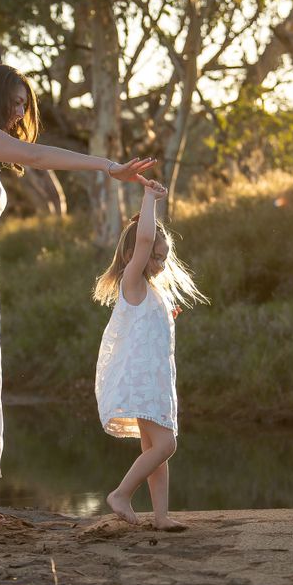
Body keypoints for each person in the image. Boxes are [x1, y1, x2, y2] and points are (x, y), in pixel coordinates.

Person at [0, 64, 156, 531]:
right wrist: (107, 166)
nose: (20, 112)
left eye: (24, 104)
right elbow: (37, 156)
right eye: (14, 102)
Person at [93, 180, 207, 531]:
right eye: (153, 256)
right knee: (166, 444)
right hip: (141, 381)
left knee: (153, 448)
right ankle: (121, 493)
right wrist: (150, 199)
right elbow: (143, 239)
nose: (157, 263)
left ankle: (160, 516)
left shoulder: (152, 290)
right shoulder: (133, 281)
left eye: (162, 258)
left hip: (157, 381)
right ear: (133, 255)